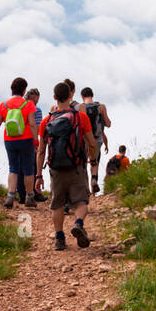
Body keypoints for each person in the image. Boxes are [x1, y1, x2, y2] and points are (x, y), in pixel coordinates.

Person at [37, 81, 96, 250]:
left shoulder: (46, 121)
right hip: (76, 166)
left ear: (55, 97)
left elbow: (41, 151)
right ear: (71, 96)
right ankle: (78, 223)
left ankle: (59, 238)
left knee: (57, 204)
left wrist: (38, 176)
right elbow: (91, 143)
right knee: (81, 201)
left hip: (55, 168)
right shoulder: (80, 117)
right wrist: (92, 160)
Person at [0, 76, 38, 209]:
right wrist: (36, 140)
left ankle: (10, 196)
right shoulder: (28, 104)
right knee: (28, 168)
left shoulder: (4, 105)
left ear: (11, 89)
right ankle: (29, 197)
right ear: (24, 91)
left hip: (10, 139)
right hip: (26, 139)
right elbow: (33, 124)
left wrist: (6, 120)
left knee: (13, 168)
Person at [81, 87, 112, 195]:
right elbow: (108, 124)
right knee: (95, 162)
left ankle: (85, 189)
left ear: (82, 96)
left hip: (85, 139)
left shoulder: (81, 107)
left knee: (83, 163)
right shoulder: (101, 106)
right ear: (92, 95)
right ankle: (94, 182)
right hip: (98, 139)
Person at [27, 88, 47, 201]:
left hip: (17, 139)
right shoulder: (36, 110)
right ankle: (36, 193)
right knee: (34, 167)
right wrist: (38, 143)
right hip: (31, 140)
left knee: (20, 168)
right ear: (35, 97)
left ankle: (21, 193)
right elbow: (38, 127)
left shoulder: (21, 107)